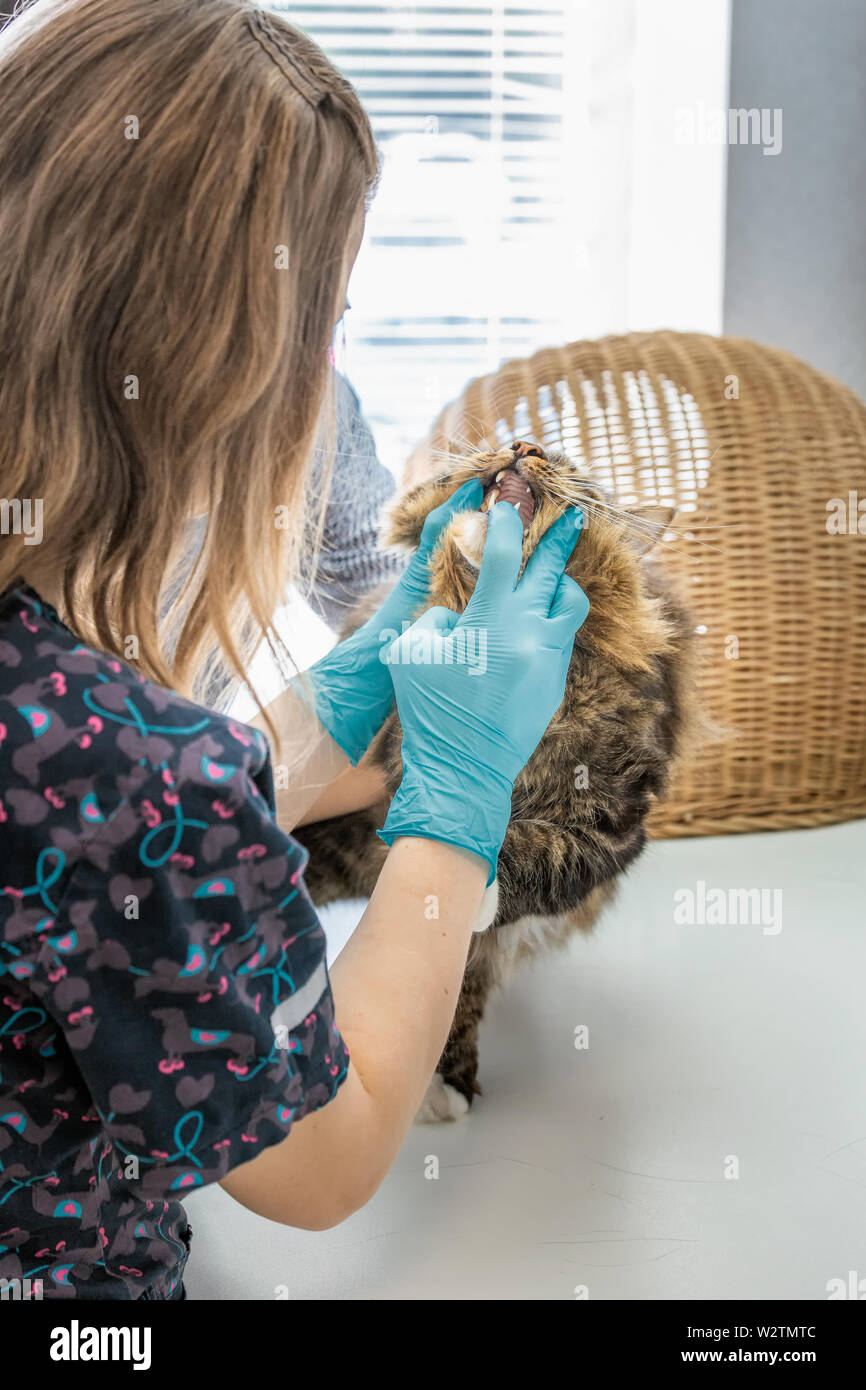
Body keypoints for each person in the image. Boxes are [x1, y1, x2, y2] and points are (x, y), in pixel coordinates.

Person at [0, 0, 588, 1301]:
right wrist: (455, 807)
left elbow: (68, 848)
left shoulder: (71, 727)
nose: (331, 363)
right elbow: (319, 1157)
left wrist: (353, 675)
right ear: (218, 359)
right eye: (320, 321)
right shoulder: (130, 768)